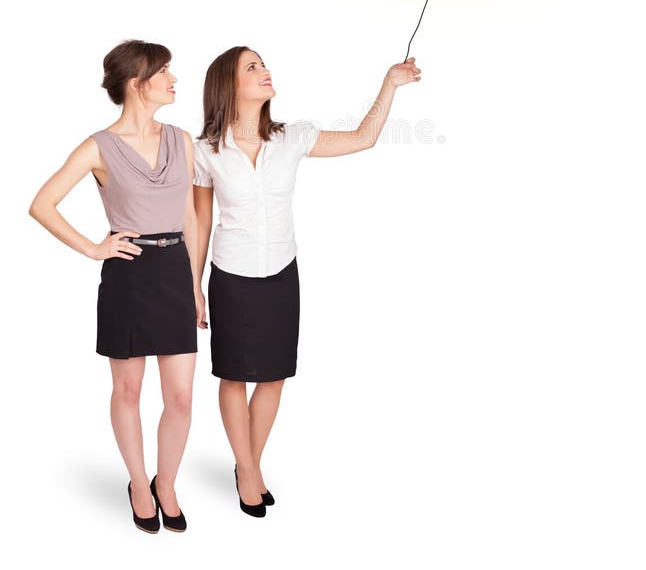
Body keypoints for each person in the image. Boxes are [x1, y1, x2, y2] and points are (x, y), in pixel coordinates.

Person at [192, 45, 421, 517]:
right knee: (233, 375)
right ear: (227, 86)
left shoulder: (293, 137)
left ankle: (248, 466)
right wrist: (193, 285)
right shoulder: (205, 153)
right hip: (230, 274)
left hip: (281, 271)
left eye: (263, 63)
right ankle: (248, 470)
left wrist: (390, 84)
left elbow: (364, 138)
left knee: (274, 374)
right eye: (251, 67)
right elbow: (200, 222)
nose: (265, 70)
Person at [28, 39, 207, 534]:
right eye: (165, 72)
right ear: (136, 83)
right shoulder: (98, 146)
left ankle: (165, 482)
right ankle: (136, 482)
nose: (175, 80)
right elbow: (42, 204)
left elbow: (190, 216)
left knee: (182, 398)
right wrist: (93, 247)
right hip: (128, 276)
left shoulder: (181, 138)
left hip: (174, 271)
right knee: (128, 390)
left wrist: (196, 285)